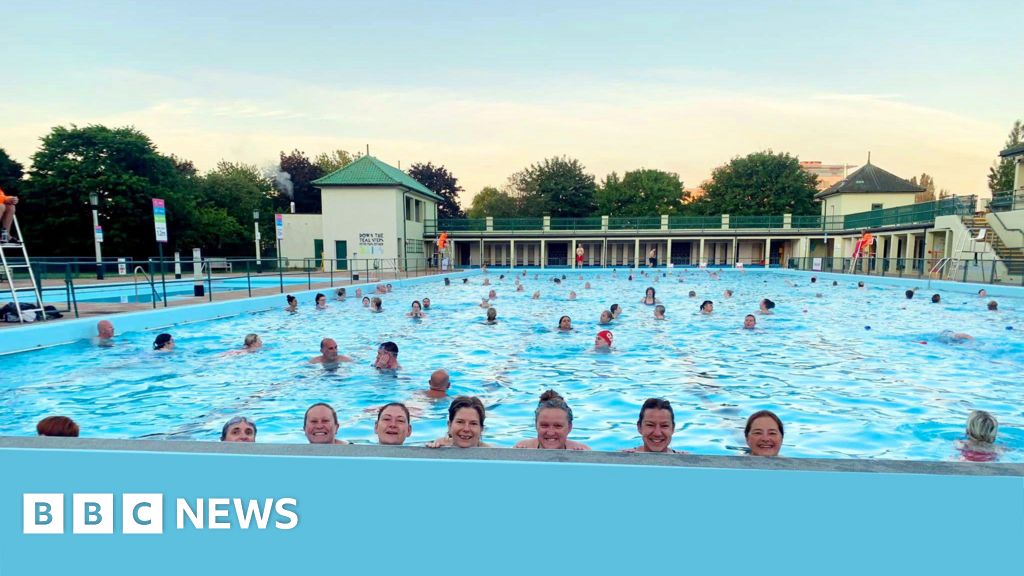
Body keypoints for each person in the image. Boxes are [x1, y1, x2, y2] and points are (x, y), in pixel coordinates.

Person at [514, 390, 591, 450]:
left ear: (569, 428)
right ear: (536, 425)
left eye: (558, 426)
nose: (550, 433)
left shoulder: (583, 452)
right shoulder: (523, 449)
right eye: (544, 425)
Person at [426, 396, 492, 448]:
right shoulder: (440, 446)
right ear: (449, 425)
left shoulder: (493, 455)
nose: (466, 429)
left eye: (473, 423)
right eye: (460, 422)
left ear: (481, 429)